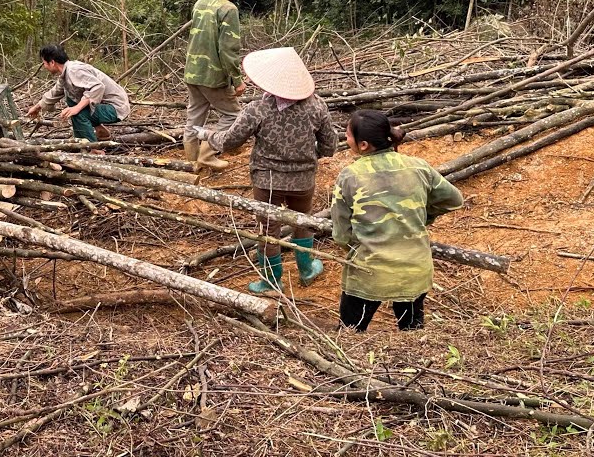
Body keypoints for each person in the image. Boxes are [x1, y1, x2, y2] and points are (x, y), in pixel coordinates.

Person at [194, 47, 339, 294]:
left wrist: (207, 134)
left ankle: (271, 282)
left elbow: (230, 141)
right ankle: (306, 269)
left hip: (267, 179)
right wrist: (309, 153)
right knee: (302, 221)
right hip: (303, 179)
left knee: (268, 229)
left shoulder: (258, 109)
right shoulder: (317, 107)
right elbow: (330, 146)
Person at [331, 110, 463, 331]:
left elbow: (341, 235)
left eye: (348, 134)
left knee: (349, 333)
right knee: (412, 332)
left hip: (369, 273)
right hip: (414, 271)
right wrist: (422, 218)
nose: (346, 138)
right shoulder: (418, 166)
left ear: (363, 145)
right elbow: (453, 199)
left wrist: (359, 243)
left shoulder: (350, 176)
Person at [184, 0, 246, 172]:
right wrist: (237, 80)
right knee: (233, 115)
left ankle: (191, 163)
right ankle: (207, 155)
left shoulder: (200, 3)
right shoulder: (228, 9)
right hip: (213, 76)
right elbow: (229, 49)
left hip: (192, 72)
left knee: (194, 116)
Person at [26, 44, 130, 142]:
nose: (44, 66)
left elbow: (98, 87)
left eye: (44, 63)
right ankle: (98, 131)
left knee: (77, 112)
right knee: (70, 98)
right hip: (106, 106)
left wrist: (77, 108)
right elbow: (55, 92)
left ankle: (92, 148)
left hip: (116, 108)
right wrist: (37, 107)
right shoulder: (66, 73)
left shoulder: (74, 70)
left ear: (52, 62)